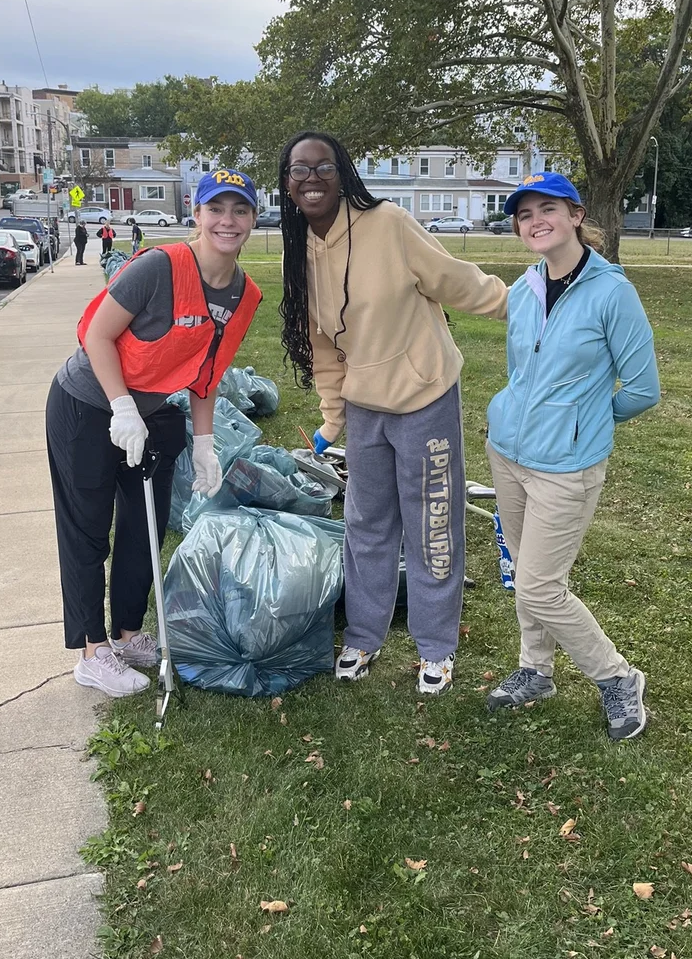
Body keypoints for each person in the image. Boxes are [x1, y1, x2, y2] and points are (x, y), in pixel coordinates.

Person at [278, 131, 508, 696]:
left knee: (432, 523)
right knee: (366, 524)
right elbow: (324, 346)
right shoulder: (299, 249)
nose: (311, 177)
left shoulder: (389, 223)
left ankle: (436, 646)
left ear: (343, 173)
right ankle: (363, 635)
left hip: (424, 394)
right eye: (299, 169)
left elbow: (455, 279)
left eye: (323, 166)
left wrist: (525, 303)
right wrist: (333, 418)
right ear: (286, 183)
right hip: (364, 408)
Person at [45, 169, 262, 697]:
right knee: (89, 529)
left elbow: (208, 375)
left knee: (145, 526)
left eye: (239, 210)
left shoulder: (243, 294)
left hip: (157, 410)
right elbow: (96, 333)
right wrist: (121, 408)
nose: (227, 221)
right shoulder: (159, 268)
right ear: (198, 214)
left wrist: (206, 445)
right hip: (88, 404)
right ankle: (92, 652)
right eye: (217, 209)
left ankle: (127, 634)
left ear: (253, 219)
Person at [484, 172, 660, 740]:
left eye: (547, 209)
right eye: (524, 213)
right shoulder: (525, 287)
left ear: (576, 215)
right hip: (508, 452)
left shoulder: (612, 292)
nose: (535, 220)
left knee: (540, 585)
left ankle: (617, 679)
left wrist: (582, 424)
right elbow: (522, 371)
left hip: (567, 466)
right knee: (524, 571)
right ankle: (536, 670)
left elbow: (642, 388)